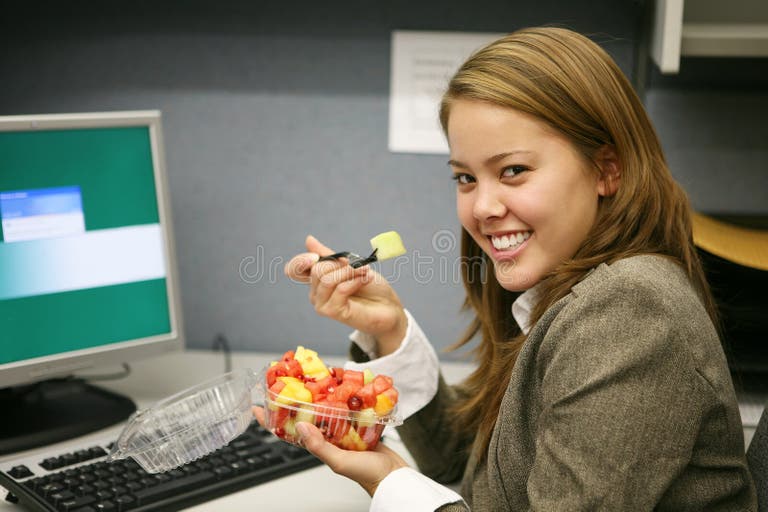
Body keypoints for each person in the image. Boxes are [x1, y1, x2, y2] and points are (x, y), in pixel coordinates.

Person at [256, 26, 758, 510]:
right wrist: (390, 332)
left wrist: (389, 484)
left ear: (608, 170)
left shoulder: (628, 313)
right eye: (466, 178)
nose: (482, 208)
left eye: (513, 170)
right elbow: (474, 480)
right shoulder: (569, 292)